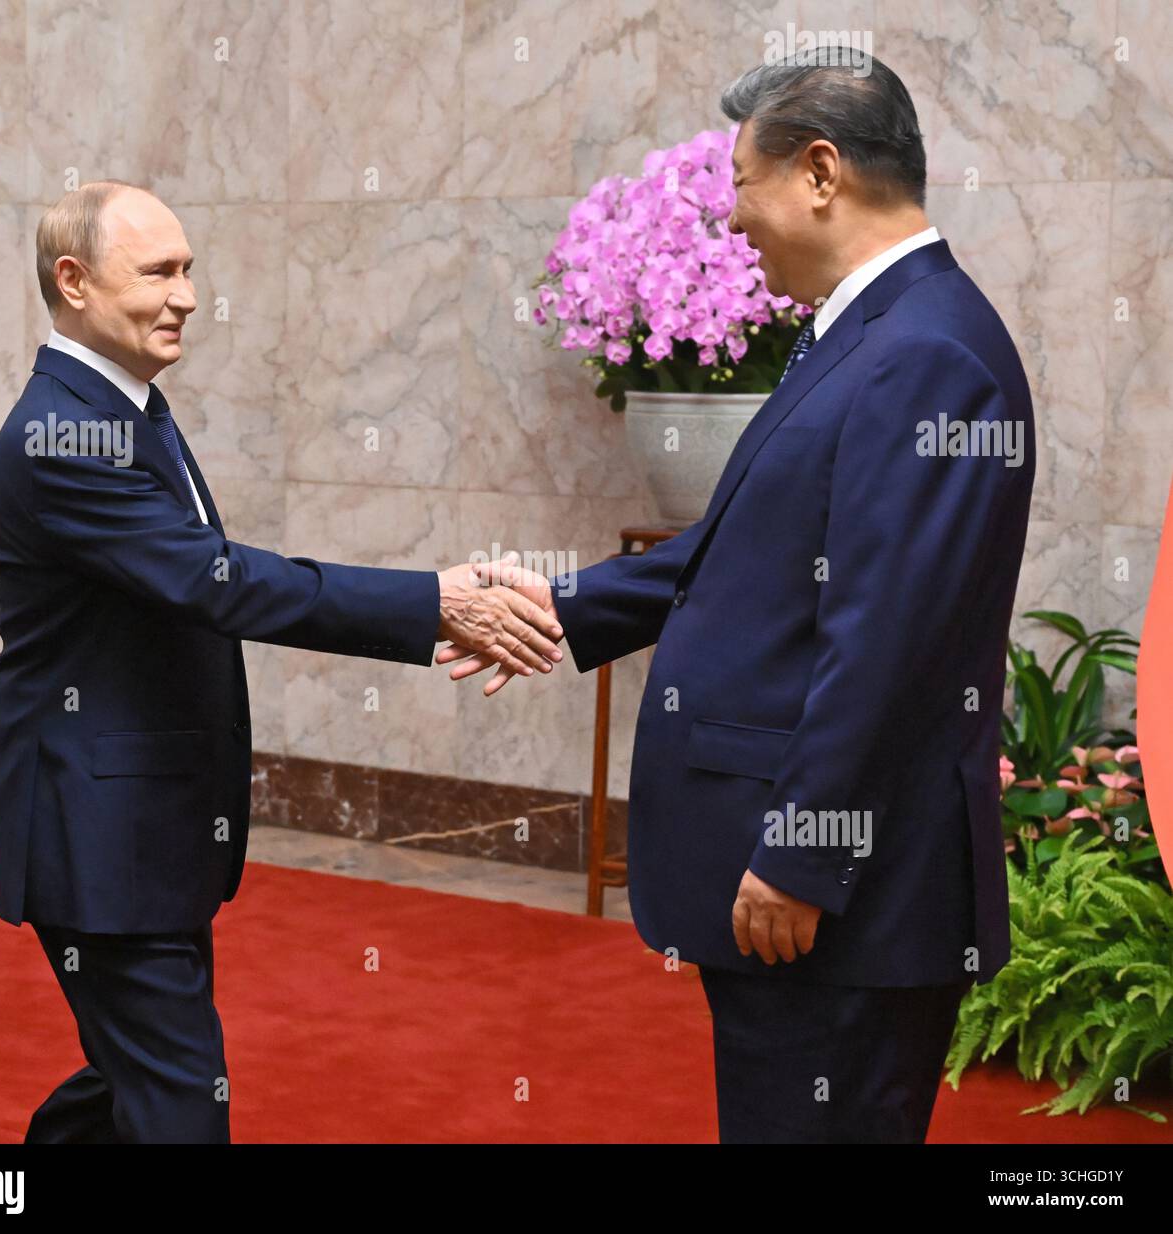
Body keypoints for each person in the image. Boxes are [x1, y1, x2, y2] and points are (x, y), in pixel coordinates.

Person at [439, 47, 1036, 1144]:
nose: (731, 219)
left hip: (845, 897)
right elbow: (733, 553)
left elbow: (886, 638)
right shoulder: (866, 334)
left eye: (740, 184)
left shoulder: (927, 356)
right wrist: (553, 607)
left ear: (820, 171)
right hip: (818, 892)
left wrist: (804, 847)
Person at [0, 180, 564, 1143]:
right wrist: (434, 604)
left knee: (132, 1078)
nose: (188, 296)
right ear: (74, 281)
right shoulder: (63, 434)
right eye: (160, 272)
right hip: (99, 832)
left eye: (190, 269)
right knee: (177, 1103)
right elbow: (223, 585)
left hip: (140, 824)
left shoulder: (124, 407)